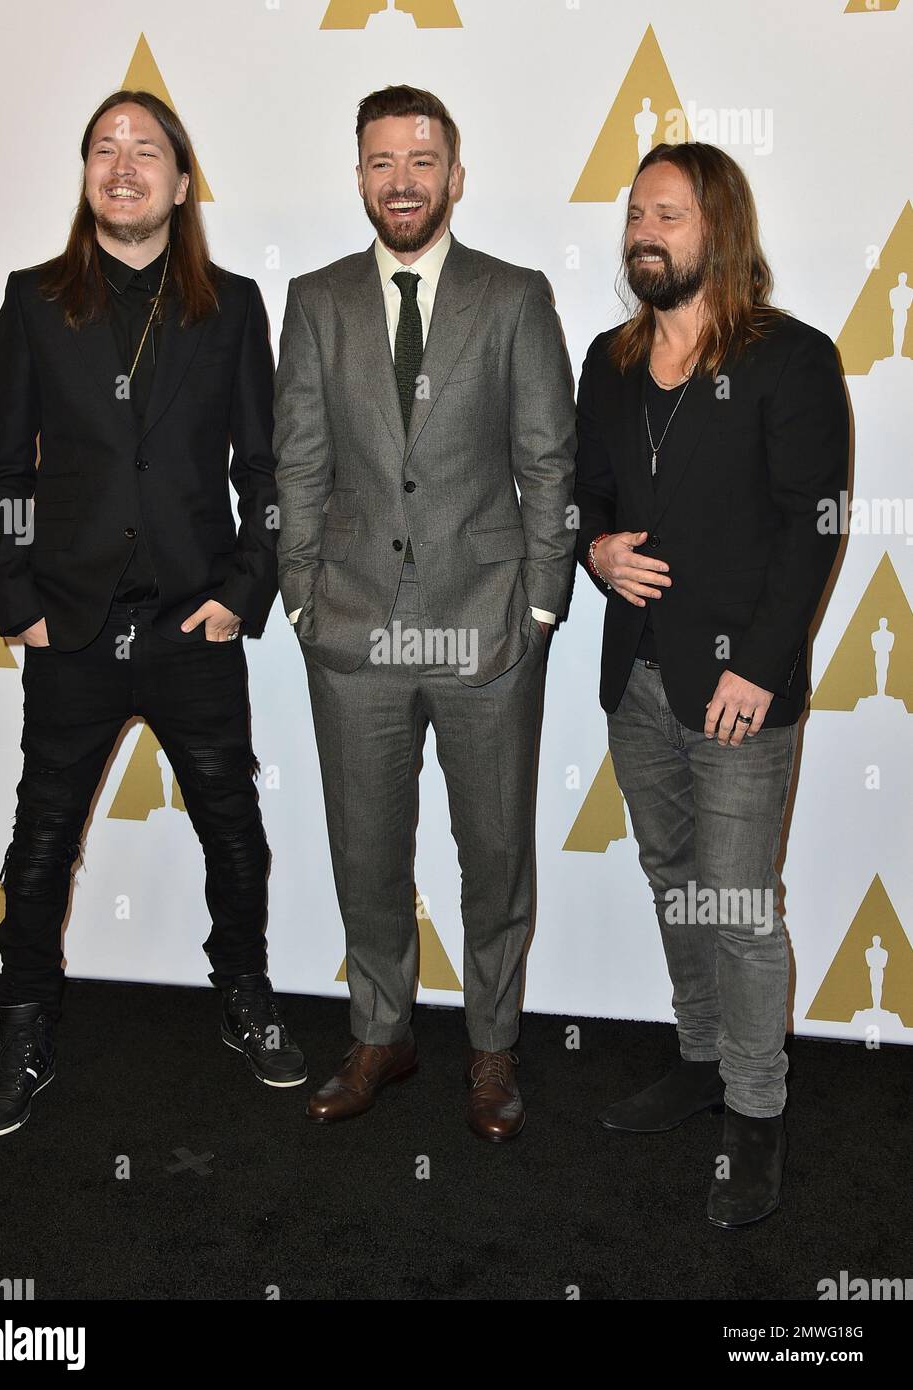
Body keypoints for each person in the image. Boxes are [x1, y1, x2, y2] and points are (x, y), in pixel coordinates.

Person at [0, 89, 305, 1139]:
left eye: (146, 150)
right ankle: (23, 1019)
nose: (124, 165)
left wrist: (241, 593)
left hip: (190, 622)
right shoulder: (33, 301)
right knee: (38, 840)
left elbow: (267, 471)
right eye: (105, 149)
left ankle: (242, 993)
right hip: (67, 625)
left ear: (181, 178)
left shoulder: (234, 305)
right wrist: (14, 600)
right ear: (85, 176)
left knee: (234, 832)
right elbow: (1, 470)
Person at [274, 85, 576, 1140]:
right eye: (380, 162)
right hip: (351, 632)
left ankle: (491, 1052)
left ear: (454, 173)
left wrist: (538, 608)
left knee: (493, 853)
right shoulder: (315, 300)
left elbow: (547, 460)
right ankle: (380, 1033)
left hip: (487, 630)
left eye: (420, 160)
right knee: (367, 851)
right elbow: (299, 464)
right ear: (356, 173)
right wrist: (303, 602)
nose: (400, 181)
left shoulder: (514, 296)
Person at [573, 142, 848, 1224]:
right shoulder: (607, 357)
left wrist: (764, 670)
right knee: (670, 875)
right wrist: (594, 551)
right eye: (636, 210)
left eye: (669, 214)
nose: (643, 228)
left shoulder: (791, 358)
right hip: (635, 674)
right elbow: (584, 497)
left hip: (739, 686)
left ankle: (756, 1107)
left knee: (738, 906)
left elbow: (810, 530)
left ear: (717, 231)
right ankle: (698, 1059)